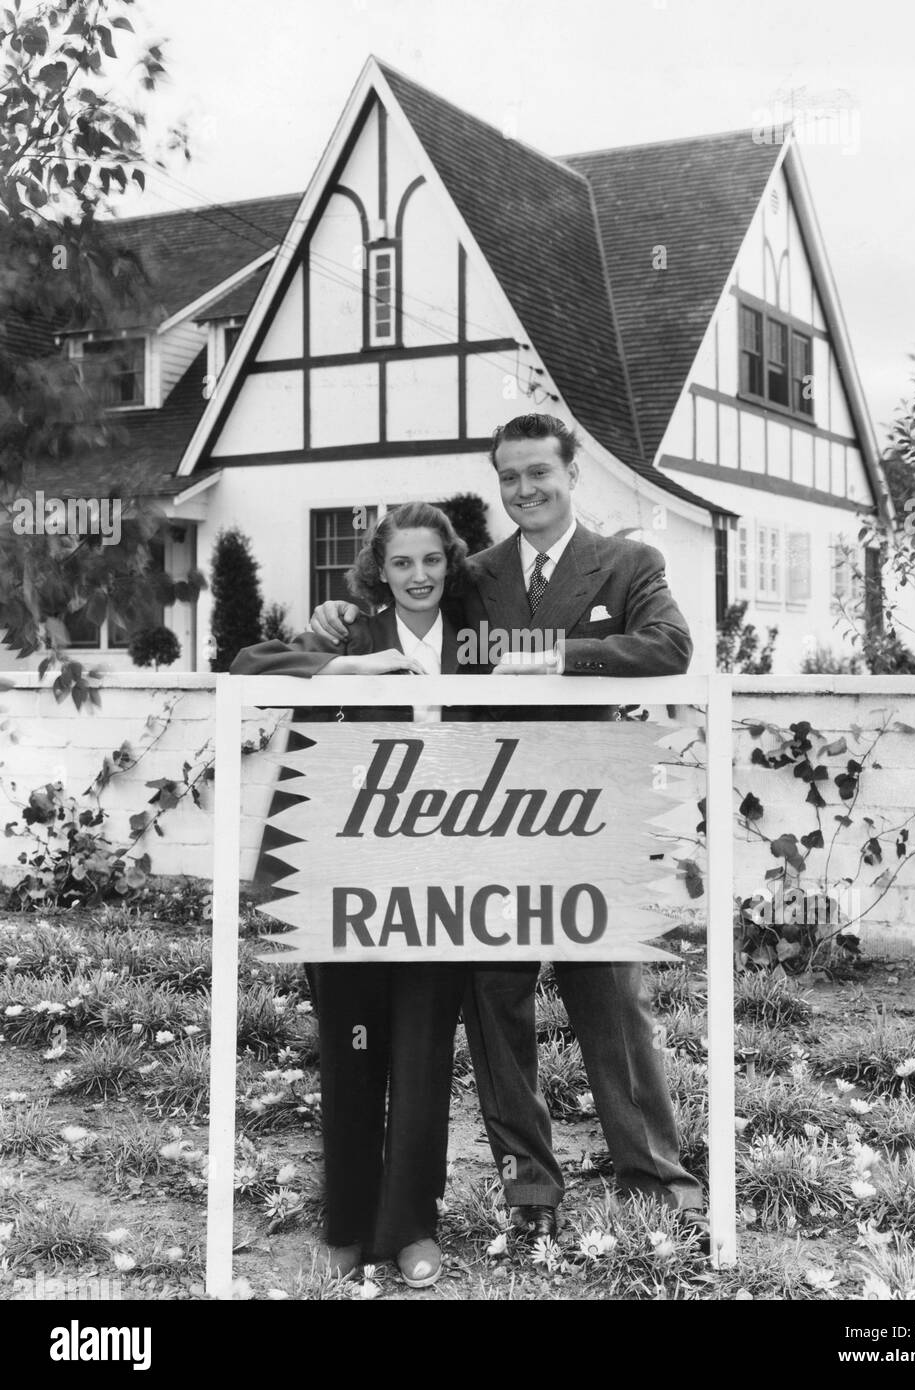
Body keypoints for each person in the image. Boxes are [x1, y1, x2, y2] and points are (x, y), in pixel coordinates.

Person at [309, 413, 709, 1248]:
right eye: (510, 477)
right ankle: (530, 1188)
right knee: (498, 1007)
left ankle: (655, 1177)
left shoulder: (629, 562)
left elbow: (670, 646)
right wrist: (332, 626)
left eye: (540, 473)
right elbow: (402, 603)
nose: (525, 489)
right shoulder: (474, 573)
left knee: (611, 997)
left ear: (573, 475)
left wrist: (563, 654)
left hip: (585, 812)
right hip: (489, 814)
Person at [232, 501, 480, 1288]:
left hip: (444, 875)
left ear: (451, 563)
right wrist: (350, 670)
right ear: (379, 568)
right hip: (342, 875)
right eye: (401, 562)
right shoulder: (345, 633)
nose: (418, 576)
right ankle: (345, 1220)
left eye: (431, 561)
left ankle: (409, 1227)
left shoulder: (478, 643)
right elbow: (245, 668)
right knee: (350, 1046)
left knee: (422, 1052)